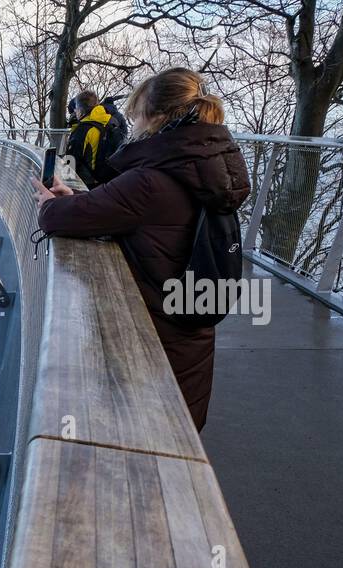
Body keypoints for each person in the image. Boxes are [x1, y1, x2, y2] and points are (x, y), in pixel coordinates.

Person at [34, 67, 250, 431]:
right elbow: (118, 211)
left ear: (158, 119)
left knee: (150, 465)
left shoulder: (151, 180)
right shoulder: (203, 168)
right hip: (188, 346)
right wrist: (80, 200)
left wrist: (49, 204)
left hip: (156, 356)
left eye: (136, 114)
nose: (131, 125)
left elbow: (60, 219)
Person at [66, 91, 115, 188]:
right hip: (109, 181)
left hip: (86, 184)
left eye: (76, 108)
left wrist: (64, 181)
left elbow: (71, 161)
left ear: (81, 109)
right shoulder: (111, 122)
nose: (75, 111)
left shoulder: (82, 130)